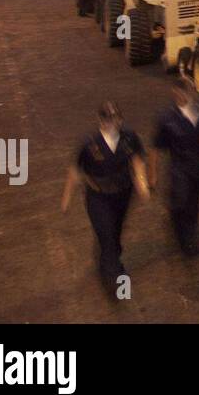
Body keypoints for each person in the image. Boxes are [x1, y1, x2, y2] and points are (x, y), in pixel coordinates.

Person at [62, 101, 149, 291]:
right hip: (98, 197)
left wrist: (142, 183)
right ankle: (114, 275)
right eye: (109, 119)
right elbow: (75, 171)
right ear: (100, 120)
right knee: (106, 232)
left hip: (123, 194)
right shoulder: (89, 143)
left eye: (117, 118)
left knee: (115, 231)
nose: (113, 123)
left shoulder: (129, 137)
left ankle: (107, 258)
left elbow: (137, 158)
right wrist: (67, 198)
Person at [149, 85, 199, 257]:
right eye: (184, 92)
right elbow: (155, 149)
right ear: (176, 93)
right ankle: (185, 239)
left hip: (198, 165)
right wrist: (152, 174)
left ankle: (188, 233)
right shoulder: (167, 118)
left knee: (193, 204)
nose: (189, 96)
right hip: (179, 167)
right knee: (181, 202)